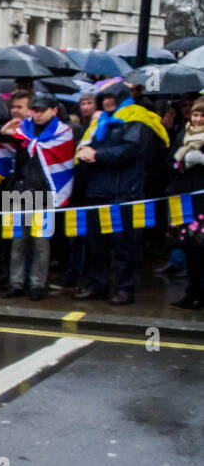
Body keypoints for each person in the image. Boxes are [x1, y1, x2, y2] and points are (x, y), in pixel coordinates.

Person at [73, 82, 170, 305]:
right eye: (104, 97)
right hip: (98, 190)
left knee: (125, 244)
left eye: (112, 97)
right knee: (96, 244)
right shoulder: (101, 122)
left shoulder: (137, 118)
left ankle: (125, 288)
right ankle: (99, 285)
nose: (107, 101)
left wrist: (96, 154)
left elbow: (131, 149)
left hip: (124, 191)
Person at [0, 92, 76, 300]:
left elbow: (63, 163)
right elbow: (1, 144)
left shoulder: (63, 132)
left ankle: (37, 284)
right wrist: (2, 133)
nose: (37, 115)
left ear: (54, 111)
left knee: (40, 242)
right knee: (18, 240)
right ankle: (16, 283)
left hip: (44, 193)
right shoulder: (23, 129)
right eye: (35, 110)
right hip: (21, 190)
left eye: (42, 110)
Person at [166, 98, 204, 310]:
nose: (198, 119)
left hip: (202, 202)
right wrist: (181, 162)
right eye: (195, 115)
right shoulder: (183, 134)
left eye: (202, 115)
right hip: (185, 199)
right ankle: (192, 293)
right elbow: (169, 161)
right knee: (190, 248)